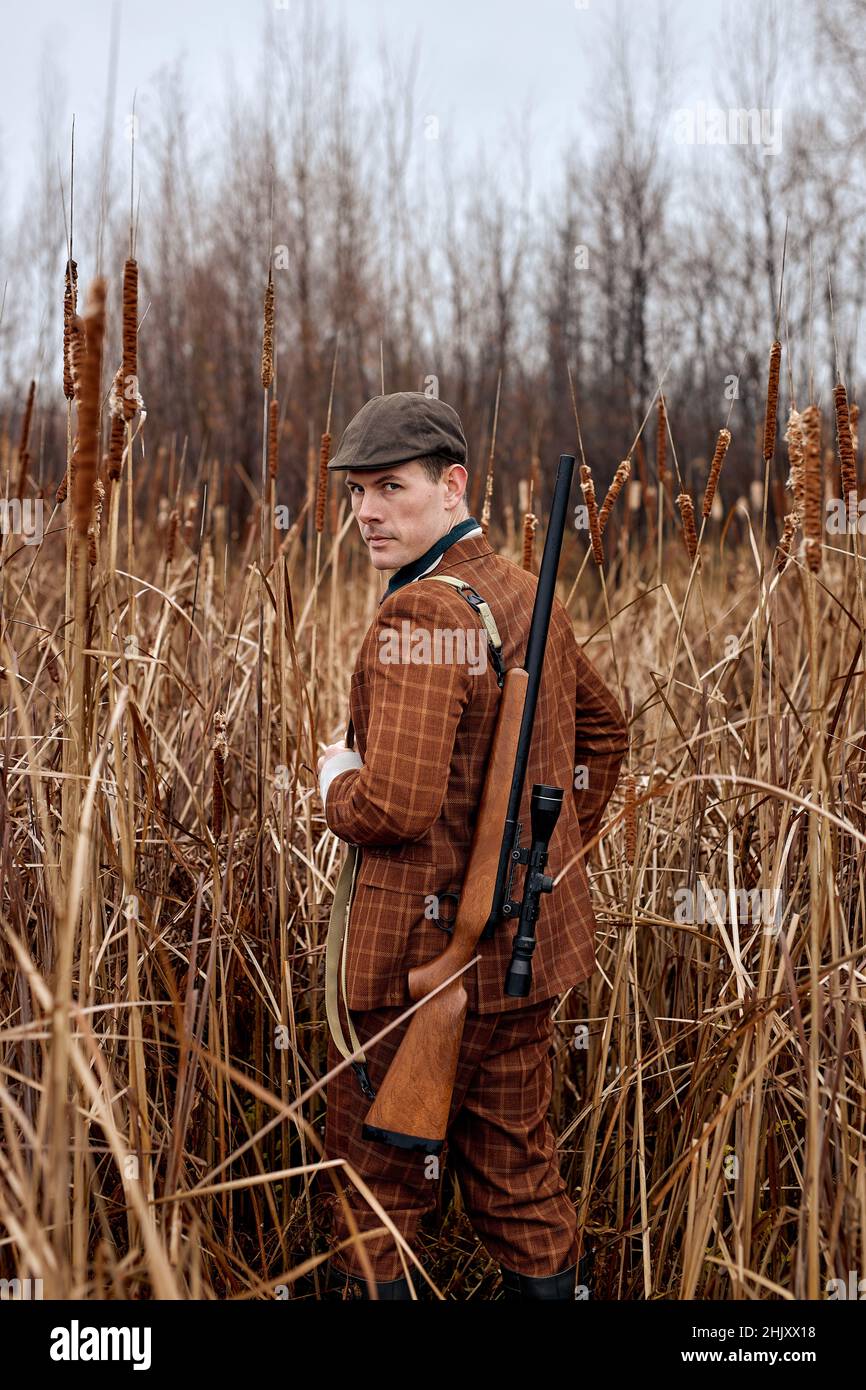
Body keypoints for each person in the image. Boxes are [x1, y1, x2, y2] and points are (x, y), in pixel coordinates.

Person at [315, 391, 628, 1300]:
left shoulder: (421, 616)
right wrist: (536, 873)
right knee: (518, 1182)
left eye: (390, 488)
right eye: (355, 492)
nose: (367, 511)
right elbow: (605, 740)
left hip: (414, 972)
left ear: (453, 486)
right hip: (519, 965)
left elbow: (397, 807)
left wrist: (335, 781)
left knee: (377, 1191)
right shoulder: (525, 592)